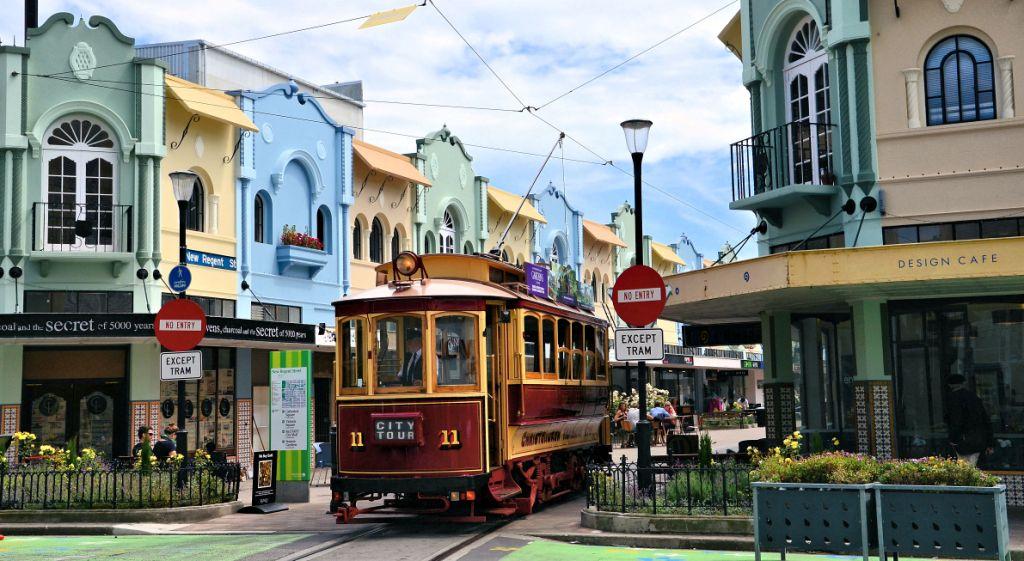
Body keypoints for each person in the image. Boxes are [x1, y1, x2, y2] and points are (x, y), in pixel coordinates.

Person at [946, 375, 993, 466]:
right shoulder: (973, 397)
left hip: (962, 440)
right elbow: (985, 419)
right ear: (963, 383)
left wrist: (953, 438)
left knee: (964, 466)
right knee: (973, 465)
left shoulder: (953, 399)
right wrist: (990, 442)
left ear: (950, 385)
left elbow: (956, 421)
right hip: (978, 438)